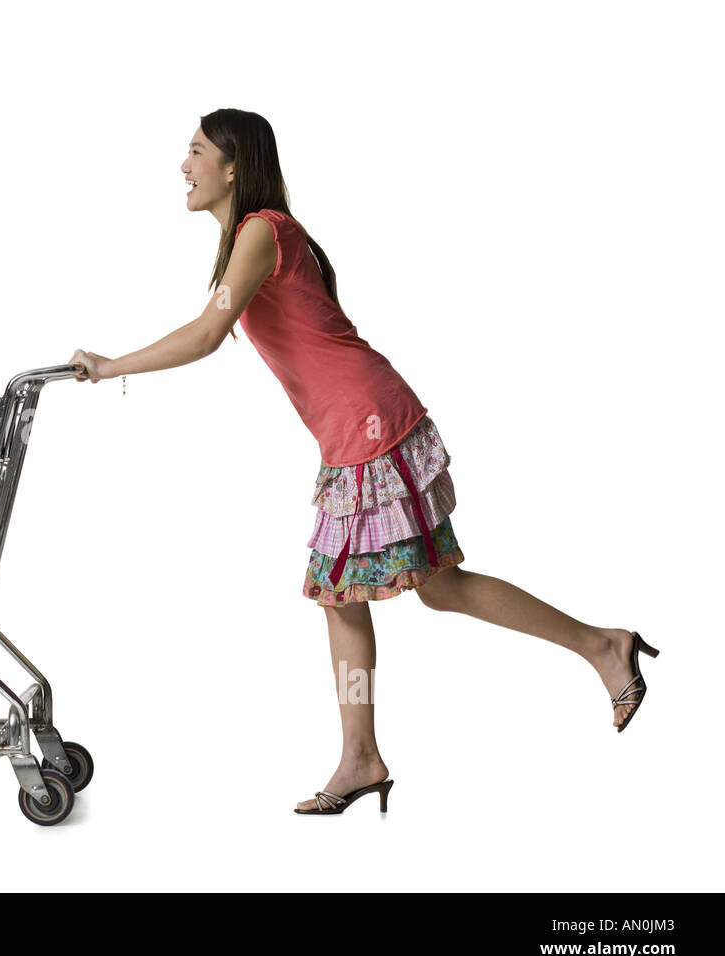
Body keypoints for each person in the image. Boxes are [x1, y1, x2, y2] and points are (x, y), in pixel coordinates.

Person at [67, 108, 657, 815]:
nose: (182, 166)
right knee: (379, 591)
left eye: (194, 151)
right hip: (355, 435)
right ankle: (366, 754)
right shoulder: (252, 239)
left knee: (409, 587)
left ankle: (597, 646)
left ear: (233, 165)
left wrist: (108, 366)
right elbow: (219, 327)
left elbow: (204, 335)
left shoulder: (261, 231)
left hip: (373, 430)